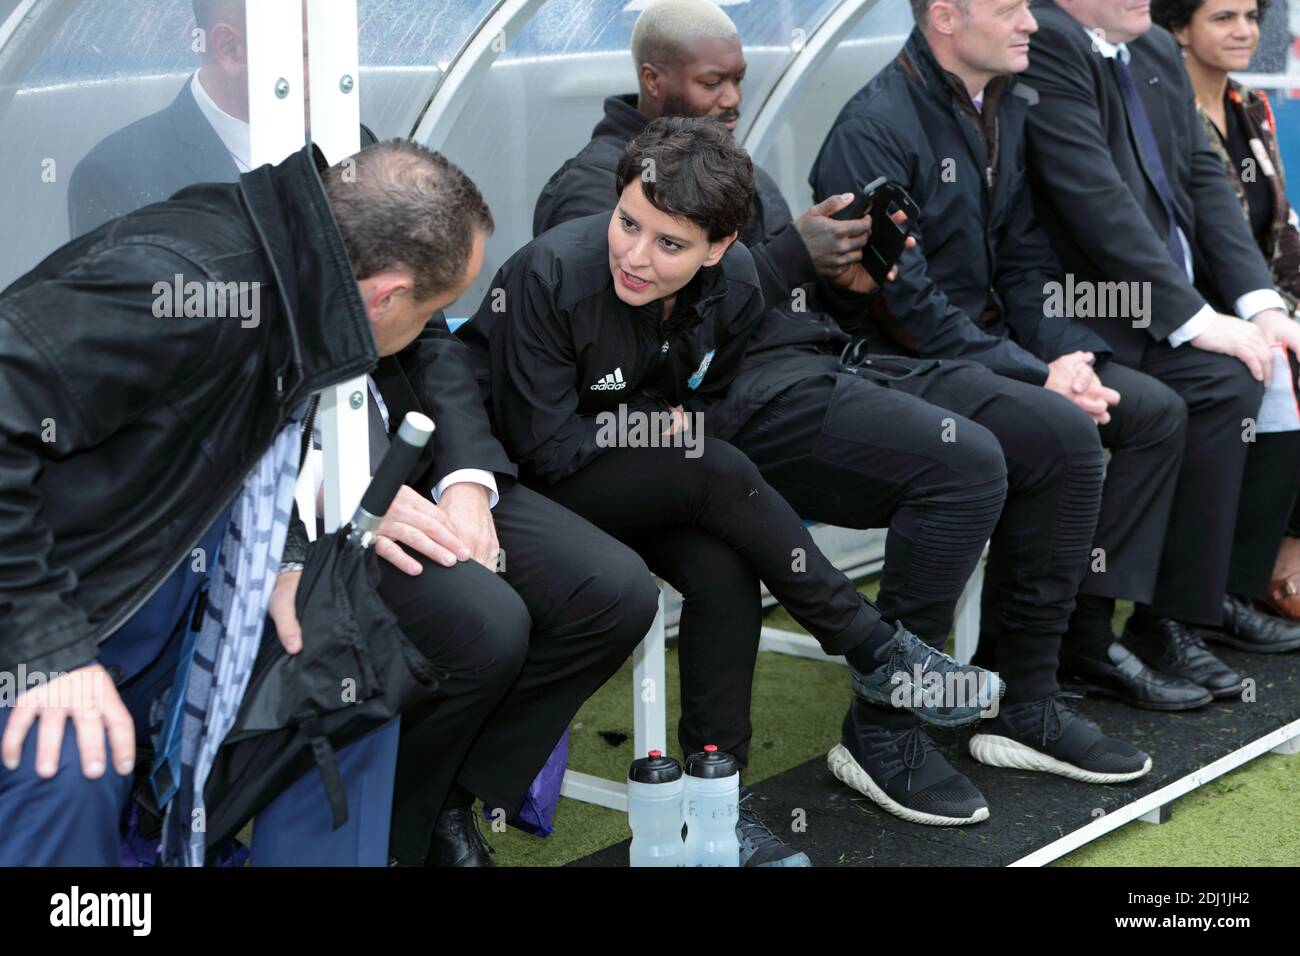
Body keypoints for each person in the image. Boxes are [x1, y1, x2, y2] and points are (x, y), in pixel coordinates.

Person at [463, 115, 1004, 854]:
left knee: (723, 567)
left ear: (720, 248)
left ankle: (714, 804)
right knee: (707, 462)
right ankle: (876, 649)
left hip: (634, 471)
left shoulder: (740, 283)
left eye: (670, 243)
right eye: (628, 223)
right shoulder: (548, 272)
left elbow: (704, 395)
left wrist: (666, 429)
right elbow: (547, 449)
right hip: (530, 481)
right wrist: (665, 431)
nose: (636, 254)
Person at [1020, 0, 1300, 681]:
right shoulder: (1051, 42)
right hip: (1081, 311)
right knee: (1192, 395)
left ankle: (1186, 609)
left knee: (1256, 365)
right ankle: (1091, 629)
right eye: (1223, 15)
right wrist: (1198, 321)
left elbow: (1204, 182)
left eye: (1251, 15)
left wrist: (1260, 303)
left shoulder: (1144, 48)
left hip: (1155, 308)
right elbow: (1093, 198)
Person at [1151, 0, 1300, 633]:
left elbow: (1281, 227)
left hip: (1263, 299)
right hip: (1193, 310)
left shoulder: (1249, 105)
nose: (1244, 31)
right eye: (1223, 17)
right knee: (1279, 368)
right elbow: (1185, 246)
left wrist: (1290, 305)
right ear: (1179, 27)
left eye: (1250, 16)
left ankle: (1282, 556)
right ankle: (1246, 579)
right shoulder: (1161, 113)